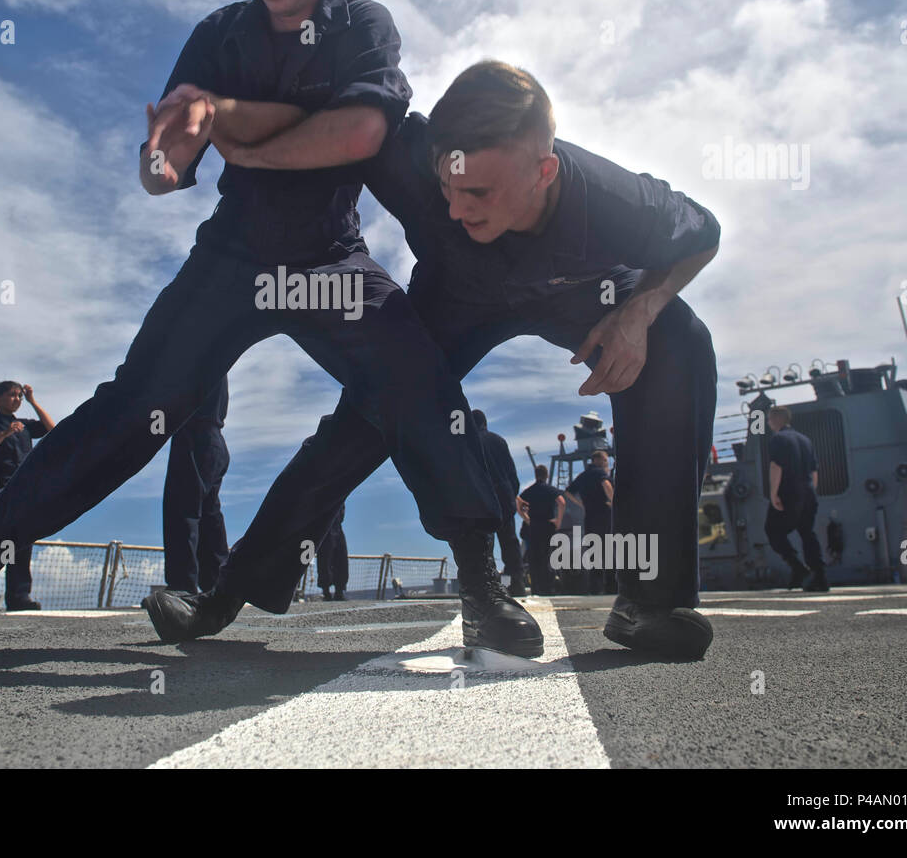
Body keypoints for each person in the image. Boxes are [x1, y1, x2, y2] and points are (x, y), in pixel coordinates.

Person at [0, 0, 538, 661]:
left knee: (420, 384)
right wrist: (162, 157)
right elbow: (165, 166)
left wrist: (244, 134)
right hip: (234, 255)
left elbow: (361, 134)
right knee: (130, 410)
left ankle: (481, 587)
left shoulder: (365, 25)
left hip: (330, 258)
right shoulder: (217, 34)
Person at [153, 61, 721, 661]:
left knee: (679, 342)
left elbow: (702, 232)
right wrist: (213, 114)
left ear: (543, 172)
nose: (455, 209)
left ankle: (649, 602)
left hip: (577, 290)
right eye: (448, 187)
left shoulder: (614, 201)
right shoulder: (415, 154)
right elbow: (325, 120)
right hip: (457, 296)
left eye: (478, 192)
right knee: (367, 418)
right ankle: (227, 593)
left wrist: (640, 311)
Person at [0, 381, 55, 611]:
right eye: (12, 395)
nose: (17, 400)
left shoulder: (25, 424)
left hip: (24, 489)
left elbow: (52, 429)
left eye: (19, 396)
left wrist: (32, 401)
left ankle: (19, 596)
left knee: (21, 543)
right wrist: (5, 433)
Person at [160, 376, 230, 595]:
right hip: (213, 437)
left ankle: (182, 585)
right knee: (209, 515)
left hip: (195, 434)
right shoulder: (219, 352)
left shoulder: (196, 349)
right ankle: (218, 585)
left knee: (182, 509)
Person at [764, 406, 828, 592]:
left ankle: (798, 568)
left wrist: (774, 493)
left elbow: (776, 466)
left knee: (773, 531)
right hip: (808, 491)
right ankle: (820, 577)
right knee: (807, 533)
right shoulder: (805, 439)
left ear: (776, 420)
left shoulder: (778, 439)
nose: (768, 423)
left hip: (788, 491)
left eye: (769, 419)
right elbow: (814, 470)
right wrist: (810, 492)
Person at [472, 408, 526, 595]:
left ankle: (490, 586)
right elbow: (512, 473)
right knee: (510, 544)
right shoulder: (499, 440)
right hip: (504, 496)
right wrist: (511, 495)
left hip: (481, 496)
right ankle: (515, 585)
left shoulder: (469, 442)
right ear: (485, 423)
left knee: (485, 546)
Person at [566, 450, 615, 594]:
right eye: (605, 461)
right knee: (609, 549)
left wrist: (581, 504)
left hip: (589, 516)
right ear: (599, 461)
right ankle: (611, 586)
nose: (606, 463)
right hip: (604, 514)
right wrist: (613, 501)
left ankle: (595, 587)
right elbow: (606, 484)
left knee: (593, 551)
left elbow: (568, 492)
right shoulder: (599, 473)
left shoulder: (582, 476)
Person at [519, 465, 565, 596]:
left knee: (534, 558)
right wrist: (558, 520)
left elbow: (518, 503)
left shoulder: (529, 491)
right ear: (547, 475)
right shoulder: (550, 490)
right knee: (548, 557)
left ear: (535, 475)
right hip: (547, 526)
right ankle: (548, 588)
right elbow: (562, 502)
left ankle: (536, 588)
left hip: (533, 526)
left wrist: (526, 518)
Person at [316, 504, 348, 600]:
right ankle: (326, 592)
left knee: (341, 559)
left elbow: (342, 515)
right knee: (324, 560)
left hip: (337, 527)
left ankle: (339, 591)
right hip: (325, 528)